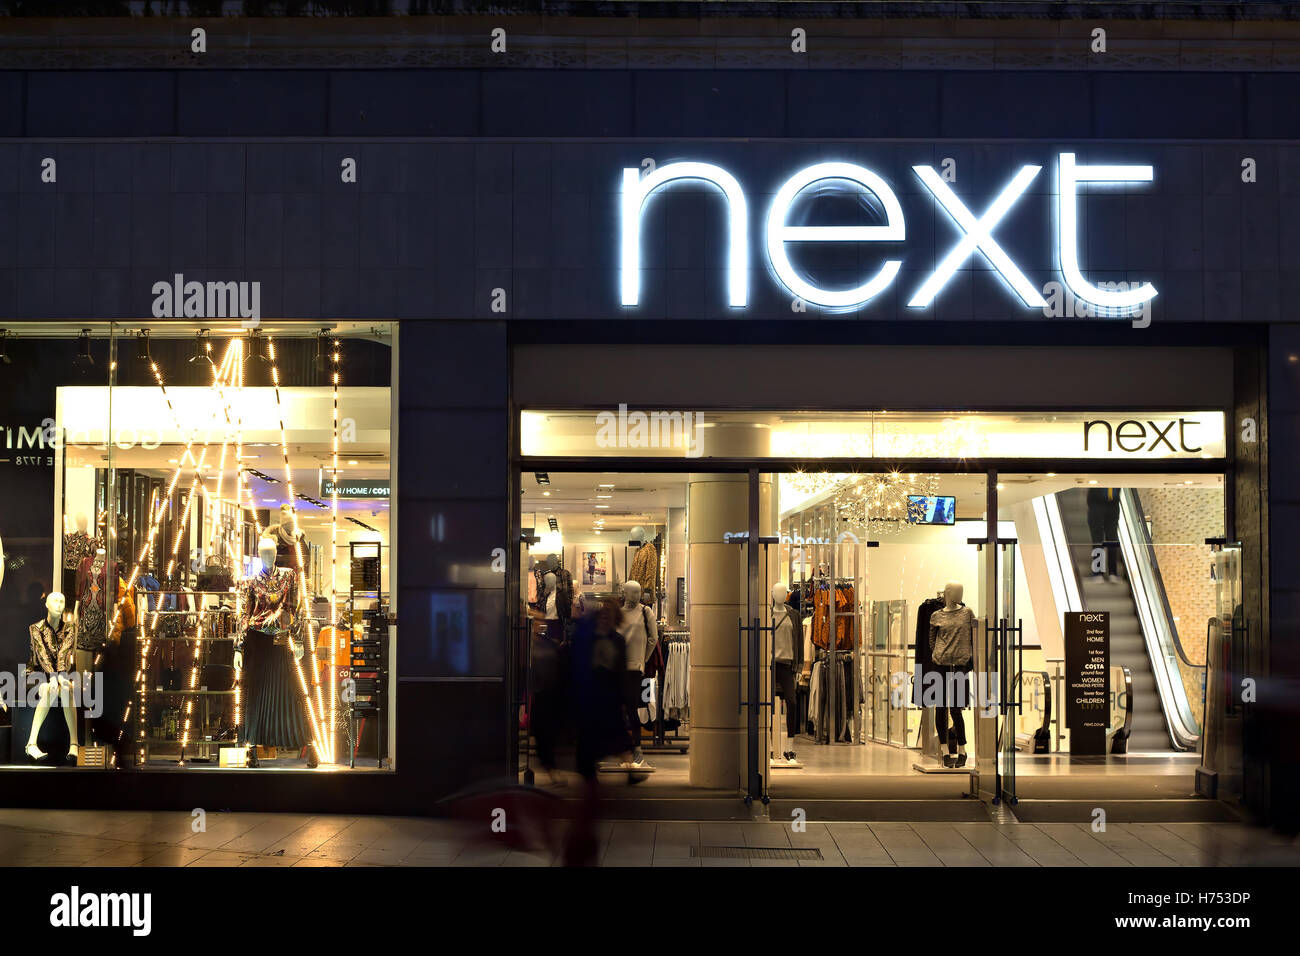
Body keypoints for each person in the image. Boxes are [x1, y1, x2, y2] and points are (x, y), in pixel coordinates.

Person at [1086, 486, 1123, 582]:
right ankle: (1112, 573)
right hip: (1113, 504)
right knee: (1112, 539)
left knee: (1098, 539)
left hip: (1097, 504)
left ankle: (1098, 573)